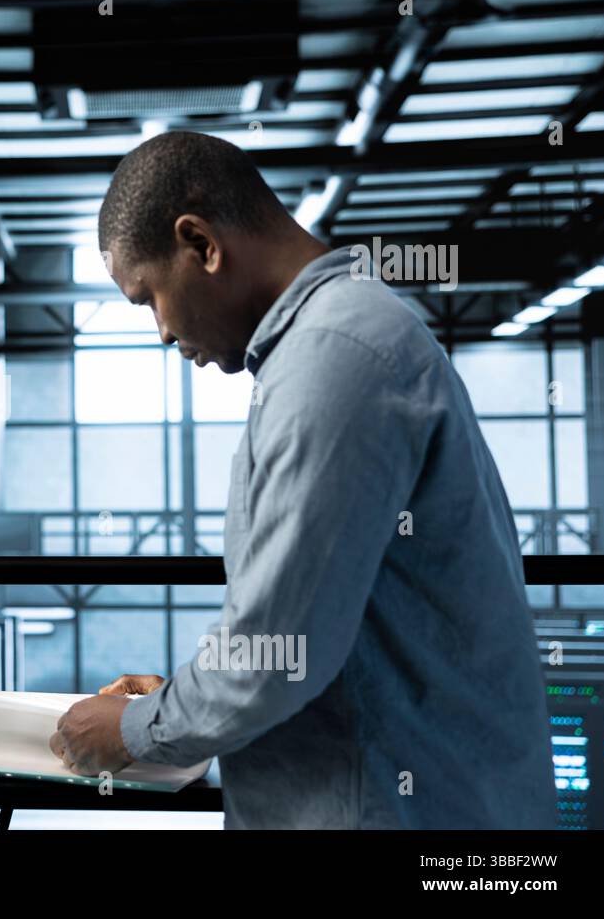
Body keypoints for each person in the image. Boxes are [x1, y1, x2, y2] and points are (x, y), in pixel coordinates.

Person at [50, 131, 556, 828]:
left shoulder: (333, 358)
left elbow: (272, 660)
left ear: (200, 243)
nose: (163, 334)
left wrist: (135, 729)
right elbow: (314, 631)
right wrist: (174, 702)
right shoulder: (338, 339)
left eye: (149, 299)